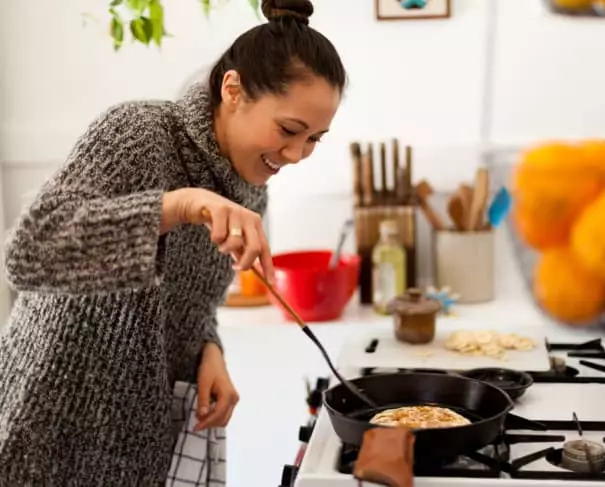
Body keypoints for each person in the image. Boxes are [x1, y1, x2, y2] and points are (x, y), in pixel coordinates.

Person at [0, 0, 346, 484]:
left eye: (314, 139)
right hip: (46, 434)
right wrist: (179, 205)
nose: (296, 154)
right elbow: (29, 253)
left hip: (138, 447)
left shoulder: (250, 191)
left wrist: (210, 350)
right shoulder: (137, 132)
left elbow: (194, 304)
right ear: (233, 91)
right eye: (289, 130)